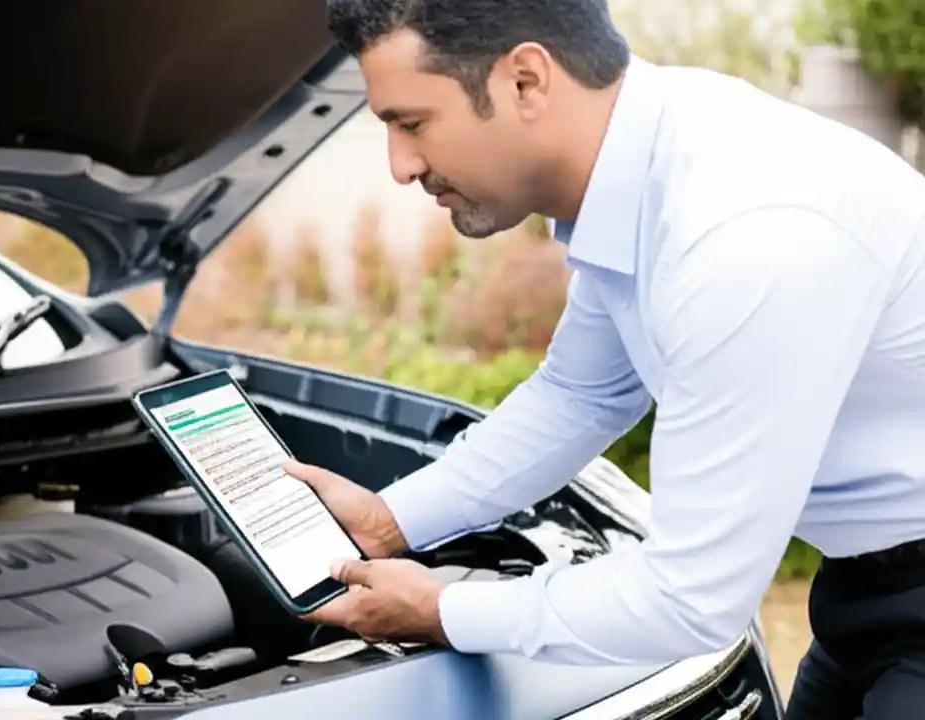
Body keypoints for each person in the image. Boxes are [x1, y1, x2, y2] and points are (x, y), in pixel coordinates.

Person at [284, 0, 925, 717]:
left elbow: (691, 598)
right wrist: (386, 522)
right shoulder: (646, 166)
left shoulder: (745, 235)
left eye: (411, 123)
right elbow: (578, 396)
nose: (402, 167)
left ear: (526, 80)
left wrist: (445, 609)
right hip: (868, 587)